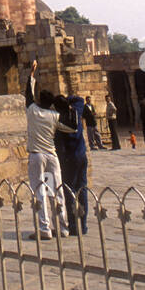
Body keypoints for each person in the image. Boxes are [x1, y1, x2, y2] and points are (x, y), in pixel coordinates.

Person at [26, 89, 76, 239]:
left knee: (39, 192)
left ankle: (44, 229)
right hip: (51, 157)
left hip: (36, 157)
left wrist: (32, 75)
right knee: (56, 192)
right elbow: (73, 127)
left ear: (39, 100)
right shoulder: (55, 116)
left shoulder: (32, 110)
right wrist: (71, 110)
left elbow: (28, 94)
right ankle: (62, 228)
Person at [54, 93, 90, 235]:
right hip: (81, 156)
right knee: (82, 189)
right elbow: (79, 99)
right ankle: (84, 224)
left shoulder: (58, 121)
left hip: (68, 160)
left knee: (69, 192)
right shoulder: (75, 112)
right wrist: (66, 101)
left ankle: (74, 225)